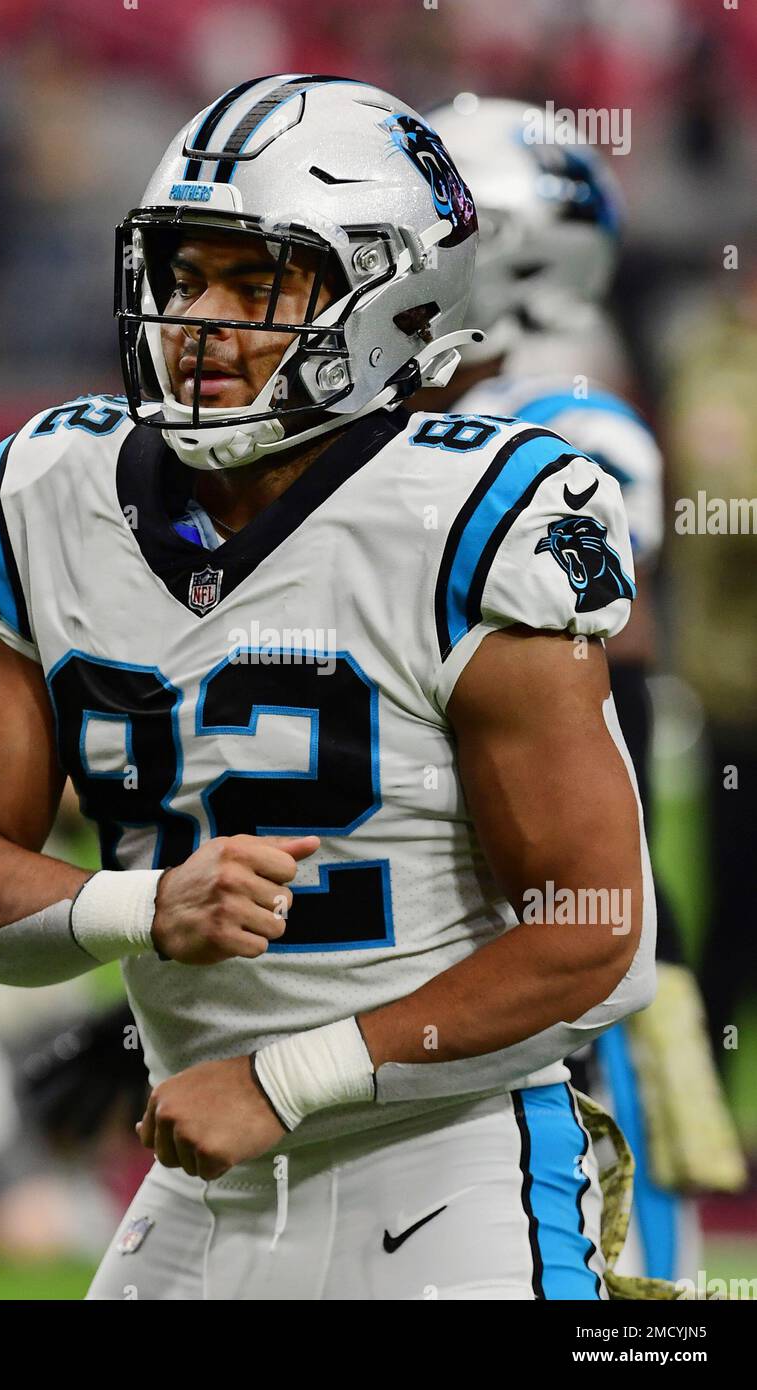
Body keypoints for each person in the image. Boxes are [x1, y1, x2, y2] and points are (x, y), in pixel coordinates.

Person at [0, 75, 655, 1301]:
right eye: (181, 275)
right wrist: (139, 906)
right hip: (200, 1164)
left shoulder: (479, 514)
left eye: (255, 284)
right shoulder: (54, 490)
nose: (198, 322)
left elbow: (592, 932)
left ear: (392, 295)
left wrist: (286, 1076)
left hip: (445, 1164)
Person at [413, 95, 746, 1281]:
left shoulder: (567, 428)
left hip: (557, 910)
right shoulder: (413, 432)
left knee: (612, 1265)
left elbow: (611, 660)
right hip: (438, 911)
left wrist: (637, 930)